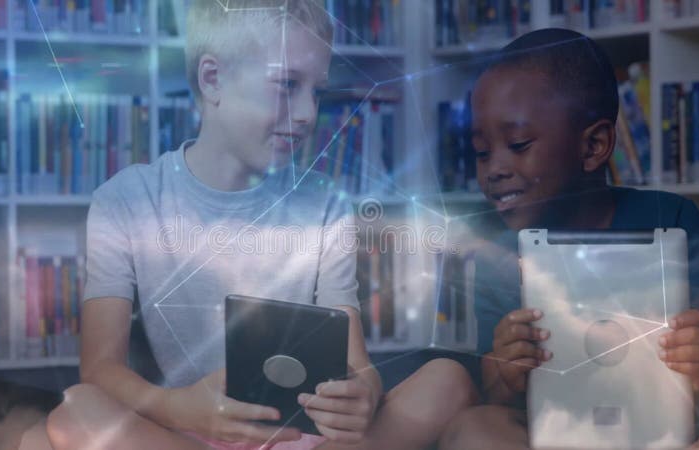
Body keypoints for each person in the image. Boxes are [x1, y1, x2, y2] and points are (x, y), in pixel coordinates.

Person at [46, 1, 474, 449]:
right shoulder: (125, 201)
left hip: (302, 438)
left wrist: (363, 394)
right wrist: (181, 408)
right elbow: (98, 371)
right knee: (78, 410)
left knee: (448, 379)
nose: (308, 112)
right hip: (189, 432)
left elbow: (357, 365)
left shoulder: (325, 206)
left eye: (316, 91)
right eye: (287, 85)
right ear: (213, 80)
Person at [437, 28, 699, 449]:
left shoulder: (671, 219)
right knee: (475, 427)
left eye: (518, 144)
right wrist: (505, 371)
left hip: (664, 436)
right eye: (482, 152)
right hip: (555, 435)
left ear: (594, 145)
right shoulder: (496, 258)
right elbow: (496, 395)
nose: (494, 169)